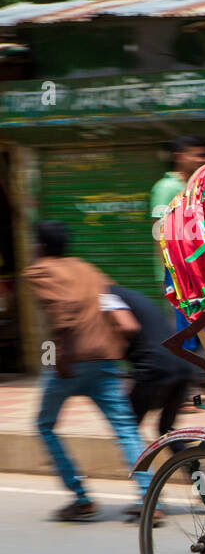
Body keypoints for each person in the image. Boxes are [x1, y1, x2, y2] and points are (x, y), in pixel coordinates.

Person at [22, 221, 155, 522]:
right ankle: (149, 497)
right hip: (105, 360)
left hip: (69, 360)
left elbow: (63, 309)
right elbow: (112, 307)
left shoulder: (39, 270)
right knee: (125, 428)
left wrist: (62, 353)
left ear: (40, 246)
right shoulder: (88, 269)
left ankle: (81, 498)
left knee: (44, 424)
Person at [106, 284, 200, 454]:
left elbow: (128, 327)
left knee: (128, 426)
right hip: (182, 364)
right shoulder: (131, 295)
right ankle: (198, 474)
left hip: (155, 367)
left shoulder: (105, 297)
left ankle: (143, 479)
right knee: (165, 428)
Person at [151, 134, 205, 356]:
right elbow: (160, 232)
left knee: (201, 329)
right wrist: (170, 274)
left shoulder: (195, 187)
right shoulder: (167, 187)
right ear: (179, 156)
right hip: (176, 275)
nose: (202, 160)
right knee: (183, 332)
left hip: (198, 273)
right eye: (197, 155)